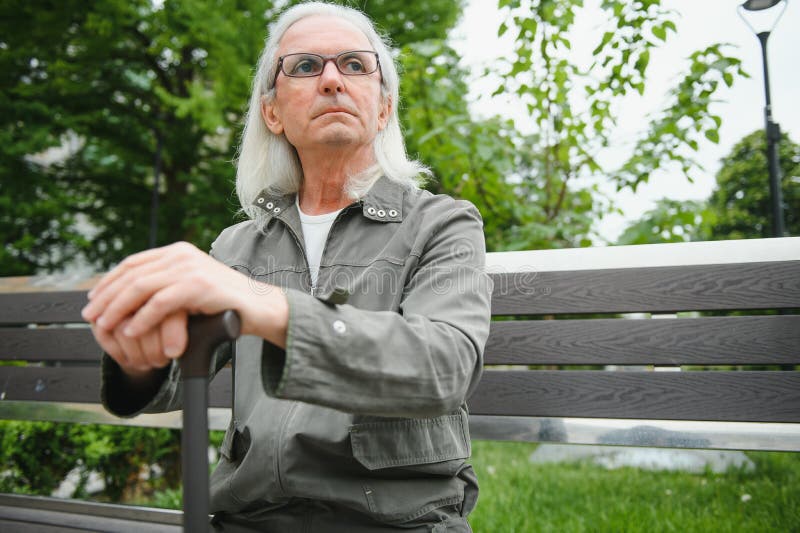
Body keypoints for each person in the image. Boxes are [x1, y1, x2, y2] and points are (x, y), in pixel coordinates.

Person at [81, 2, 492, 531]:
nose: (330, 80)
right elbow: (177, 376)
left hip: (389, 523)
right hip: (247, 520)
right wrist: (137, 350)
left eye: (353, 64)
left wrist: (259, 303)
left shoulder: (442, 224)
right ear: (272, 112)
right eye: (303, 66)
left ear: (384, 106)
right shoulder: (237, 246)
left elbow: (444, 366)